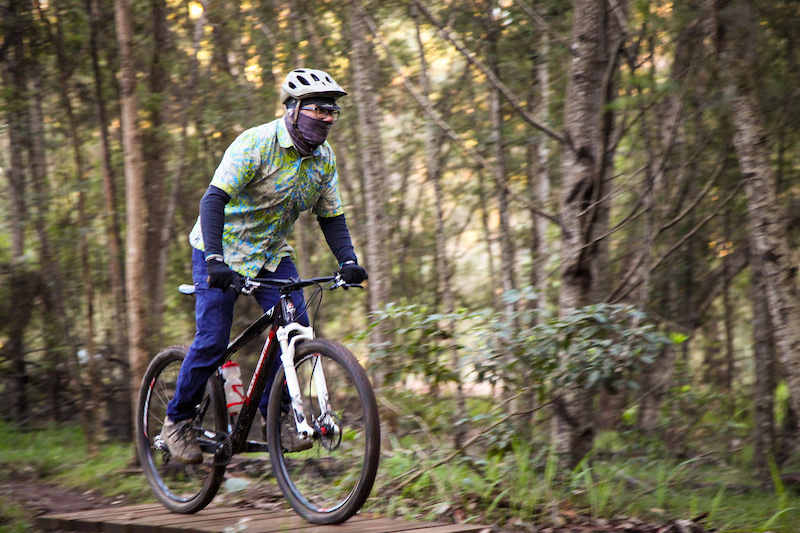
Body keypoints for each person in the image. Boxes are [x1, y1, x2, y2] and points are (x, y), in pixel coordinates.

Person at [161, 68, 368, 464]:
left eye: (331, 112)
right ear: (292, 110)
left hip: (272, 257)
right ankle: (177, 420)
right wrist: (215, 260)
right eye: (317, 109)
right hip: (218, 252)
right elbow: (213, 200)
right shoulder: (255, 144)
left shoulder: (324, 160)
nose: (325, 117)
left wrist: (348, 260)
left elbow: (332, 217)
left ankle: (283, 417)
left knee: (294, 332)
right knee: (212, 341)